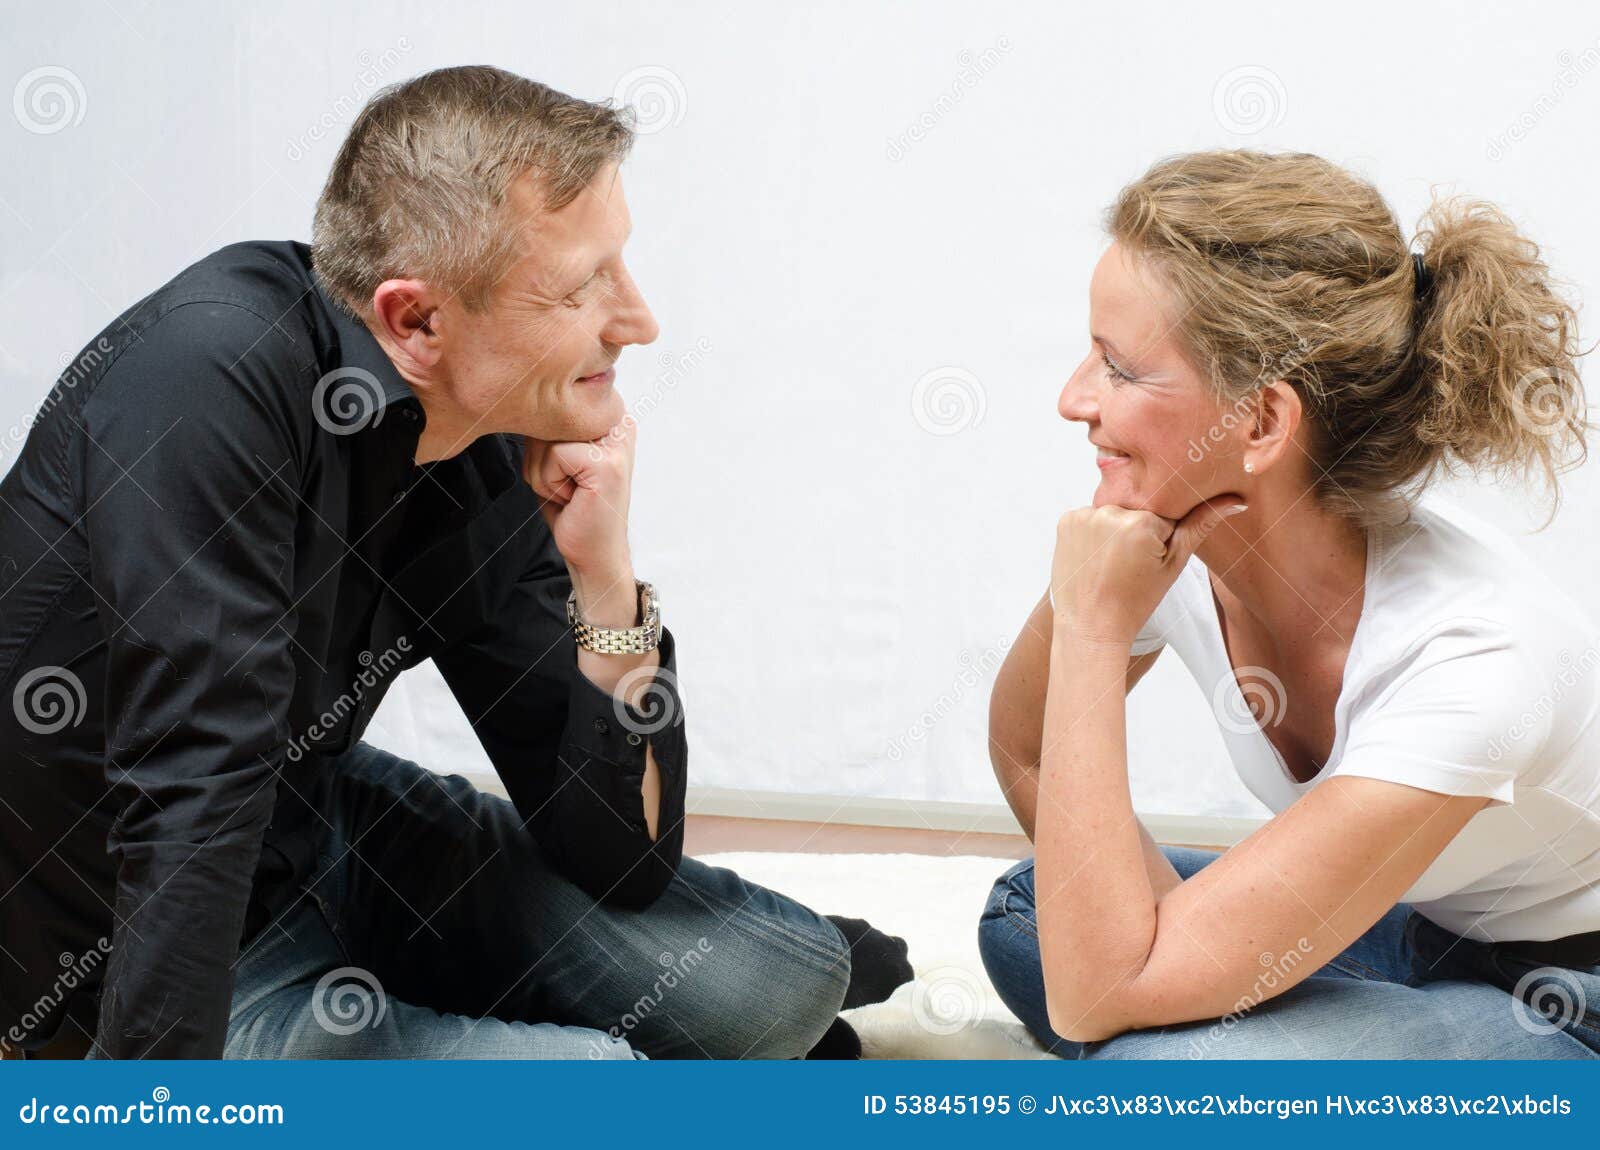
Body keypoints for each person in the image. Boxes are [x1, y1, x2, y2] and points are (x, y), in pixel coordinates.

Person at [0, 65, 906, 1061]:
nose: (639, 319)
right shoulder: (207, 378)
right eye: (579, 286)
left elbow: (619, 862)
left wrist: (605, 583)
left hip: (317, 829)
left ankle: (435, 982)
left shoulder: (477, 433)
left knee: (781, 983)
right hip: (126, 933)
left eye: (621, 267)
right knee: (605, 1084)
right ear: (415, 320)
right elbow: (190, 794)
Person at [979, 150, 1600, 1059]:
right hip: (1410, 933)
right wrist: (1131, 964)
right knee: (1029, 911)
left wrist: (1093, 625)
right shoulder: (1165, 540)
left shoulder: (1474, 658)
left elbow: (1092, 998)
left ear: (1262, 422)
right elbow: (1025, 746)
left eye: (1119, 368)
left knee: (1168, 1062)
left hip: (1566, 998)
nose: (1073, 399)